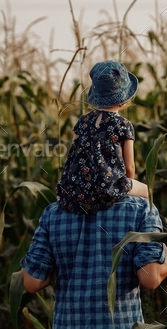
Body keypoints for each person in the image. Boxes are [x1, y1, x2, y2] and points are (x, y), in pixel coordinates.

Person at [20, 195, 167, 329]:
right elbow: (150, 278)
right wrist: (165, 255)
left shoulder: (53, 212)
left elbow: (31, 281)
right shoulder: (141, 208)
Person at [56, 59, 148, 215]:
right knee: (147, 191)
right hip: (108, 189)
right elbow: (130, 167)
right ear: (124, 100)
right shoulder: (123, 124)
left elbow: (73, 155)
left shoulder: (83, 121)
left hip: (74, 190)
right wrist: (126, 186)